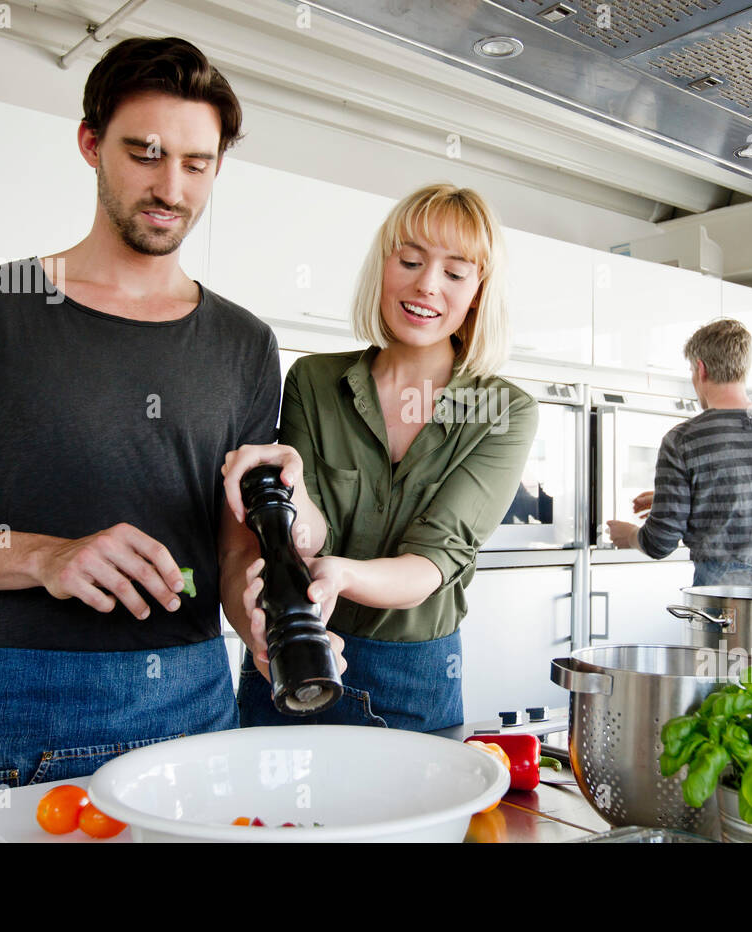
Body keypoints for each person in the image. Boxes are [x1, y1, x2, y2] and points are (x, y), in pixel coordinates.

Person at [0, 37, 325, 809]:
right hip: (37, 716)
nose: (170, 186)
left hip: (202, 709)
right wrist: (49, 558)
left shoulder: (246, 343)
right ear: (91, 143)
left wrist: (275, 629)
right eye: (145, 153)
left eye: (196, 163)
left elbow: (233, 552)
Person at [221, 184, 537, 731]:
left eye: (455, 273)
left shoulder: (505, 411)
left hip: (413, 677)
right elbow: (308, 530)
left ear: (478, 292)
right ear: (384, 265)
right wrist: (288, 496)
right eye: (410, 260)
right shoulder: (313, 381)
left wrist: (337, 576)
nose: (426, 285)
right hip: (298, 655)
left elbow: (433, 561)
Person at [606, 318, 752, 588]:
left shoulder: (683, 440)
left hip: (729, 593)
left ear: (700, 369)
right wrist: (687, 497)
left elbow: (660, 542)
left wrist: (630, 535)